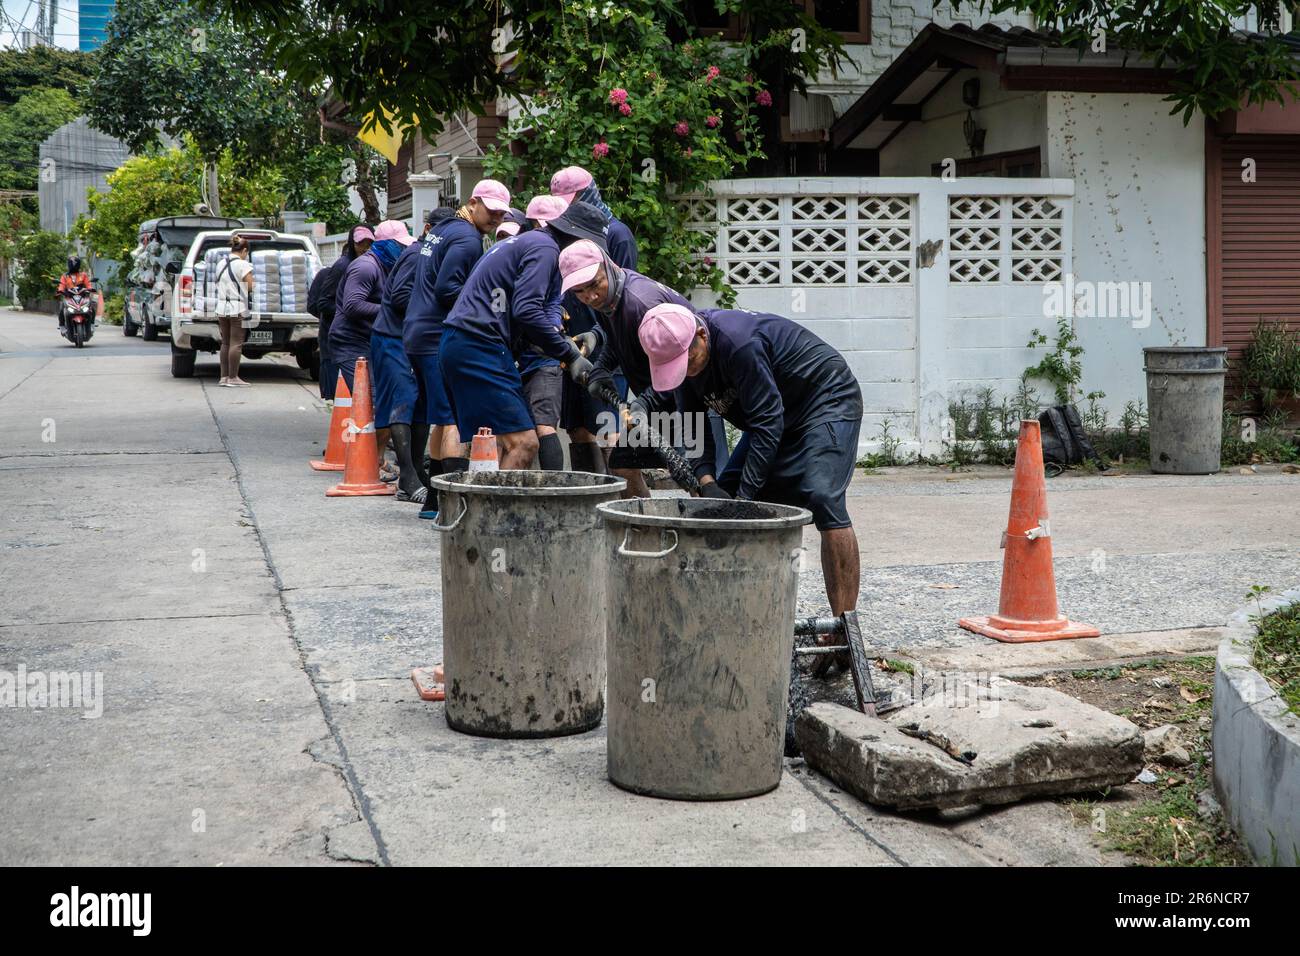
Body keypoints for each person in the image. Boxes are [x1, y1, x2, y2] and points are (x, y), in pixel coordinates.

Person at [639, 303, 864, 618]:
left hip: (824, 399)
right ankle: (739, 617)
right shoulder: (681, 359)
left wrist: (746, 499)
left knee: (822, 495)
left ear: (701, 335)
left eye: (689, 361)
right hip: (773, 416)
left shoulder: (739, 344)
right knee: (720, 503)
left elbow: (768, 425)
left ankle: (844, 628)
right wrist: (707, 482)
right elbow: (693, 423)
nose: (687, 372)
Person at [439, 203, 593, 469]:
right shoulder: (545, 249)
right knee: (524, 443)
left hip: (463, 342)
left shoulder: (529, 244)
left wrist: (560, 337)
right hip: (479, 344)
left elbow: (544, 305)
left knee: (490, 439)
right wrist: (567, 353)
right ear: (575, 237)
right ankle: (496, 512)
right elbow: (527, 310)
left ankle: (470, 509)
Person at [555, 233, 696, 496]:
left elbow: (682, 367)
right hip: (656, 392)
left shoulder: (639, 304)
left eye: (594, 284)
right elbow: (618, 340)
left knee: (696, 471)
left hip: (688, 389)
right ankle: (645, 529)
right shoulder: (610, 297)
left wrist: (644, 403)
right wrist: (600, 370)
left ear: (607, 265)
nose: (590, 296)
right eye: (580, 292)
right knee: (623, 464)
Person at [404, 180, 510, 497]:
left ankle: (434, 502)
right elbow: (447, 289)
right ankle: (448, 500)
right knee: (451, 419)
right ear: (474, 202)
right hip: (437, 334)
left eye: (501, 215)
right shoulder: (467, 240)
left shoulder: (445, 228)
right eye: (490, 211)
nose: (495, 219)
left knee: (440, 418)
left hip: (416, 331)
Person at [548, 171, 640, 477]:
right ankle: (590, 497)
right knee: (577, 427)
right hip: (574, 347)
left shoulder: (617, 234)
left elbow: (623, 294)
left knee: (608, 427)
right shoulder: (567, 235)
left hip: (606, 349)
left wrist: (603, 341)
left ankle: (622, 496)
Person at [331, 219, 415, 467]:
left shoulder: (388, 266)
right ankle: (369, 464)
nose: (403, 251)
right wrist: (389, 310)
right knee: (373, 400)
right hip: (351, 343)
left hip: (372, 340)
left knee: (383, 401)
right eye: (399, 245)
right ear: (385, 245)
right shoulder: (366, 267)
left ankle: (375, 461)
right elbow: (353, 305)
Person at [371, 211, 440, 502]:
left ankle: (414, 473)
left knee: (421, 403)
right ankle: (408, 477)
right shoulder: (416, 255)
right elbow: (400, 296)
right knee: (403, 400)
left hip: (409, 339)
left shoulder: (428, 254)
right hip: (391, 337)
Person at [510, 195, 571, 470]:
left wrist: (553, 328)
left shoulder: (552, 253)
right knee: (517, 432)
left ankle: (554, 494)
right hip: (517, 351)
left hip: (544, 353)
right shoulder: (530, 250)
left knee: (545, 426)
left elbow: (554, 300)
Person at [309, 225, 372, 400]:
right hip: (339, 341)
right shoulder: (344, 265)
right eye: (361, 243)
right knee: (341, 398)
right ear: (353, 244)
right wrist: (349, 312)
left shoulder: (369, 265)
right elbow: (323, 303)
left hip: (359, 340)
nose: (366, 247)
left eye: (370, 243)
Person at [213, 237, 255, 387]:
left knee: (225, 343)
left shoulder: (220, 264)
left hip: (221, 307)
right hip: (237, 308)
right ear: (244, 250)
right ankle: (233, 377)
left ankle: (223, 377)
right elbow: (250, 287)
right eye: (246, 253)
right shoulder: (243, 264)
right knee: (236, 343)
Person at [56, 256, 92, 330]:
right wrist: (60, 291)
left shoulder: (83, 275)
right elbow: (61, 285)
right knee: (62, 309)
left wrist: (90, 289)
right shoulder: (65, 276)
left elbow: (88, 284)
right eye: (72, 263)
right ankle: (62, 325)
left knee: (91, 308)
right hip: (69, 297)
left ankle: (92, 324)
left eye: (75, 263)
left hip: (82, 296)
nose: (73, 265)